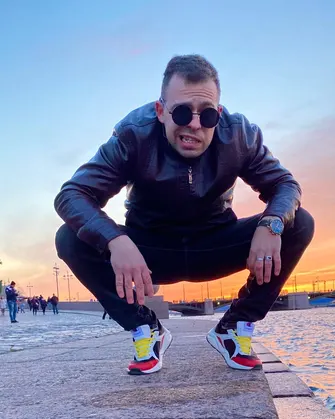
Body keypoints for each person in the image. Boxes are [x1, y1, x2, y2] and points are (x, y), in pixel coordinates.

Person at [55, 54, 314, 375]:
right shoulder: (133, 135)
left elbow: (285, 185)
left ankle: (234, 326)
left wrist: (271, 224)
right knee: (68, 238)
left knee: (298, 223)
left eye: (207, 115)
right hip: (149, 252)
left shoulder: (239, 135)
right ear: (160, 110)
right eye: (181, 112)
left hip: (214, 244)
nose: (194, 124)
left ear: (219, 113)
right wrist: (115, 240)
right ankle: (144, 328)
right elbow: (72, 195)